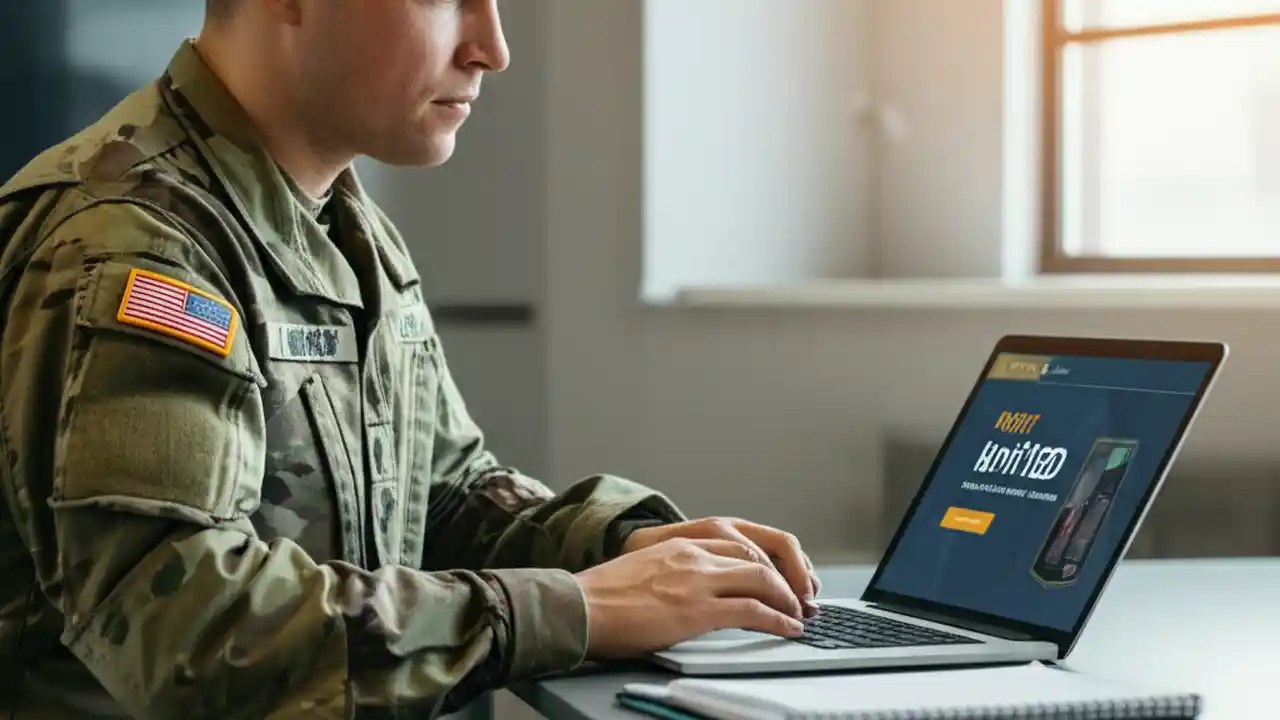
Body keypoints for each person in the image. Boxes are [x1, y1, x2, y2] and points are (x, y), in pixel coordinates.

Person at [0, 1, 822, 718]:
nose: (492, 47)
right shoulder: (135, 243)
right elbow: (188, 631)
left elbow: (448, 500)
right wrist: (572, 608)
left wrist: (626, 551)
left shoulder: (346, 233)